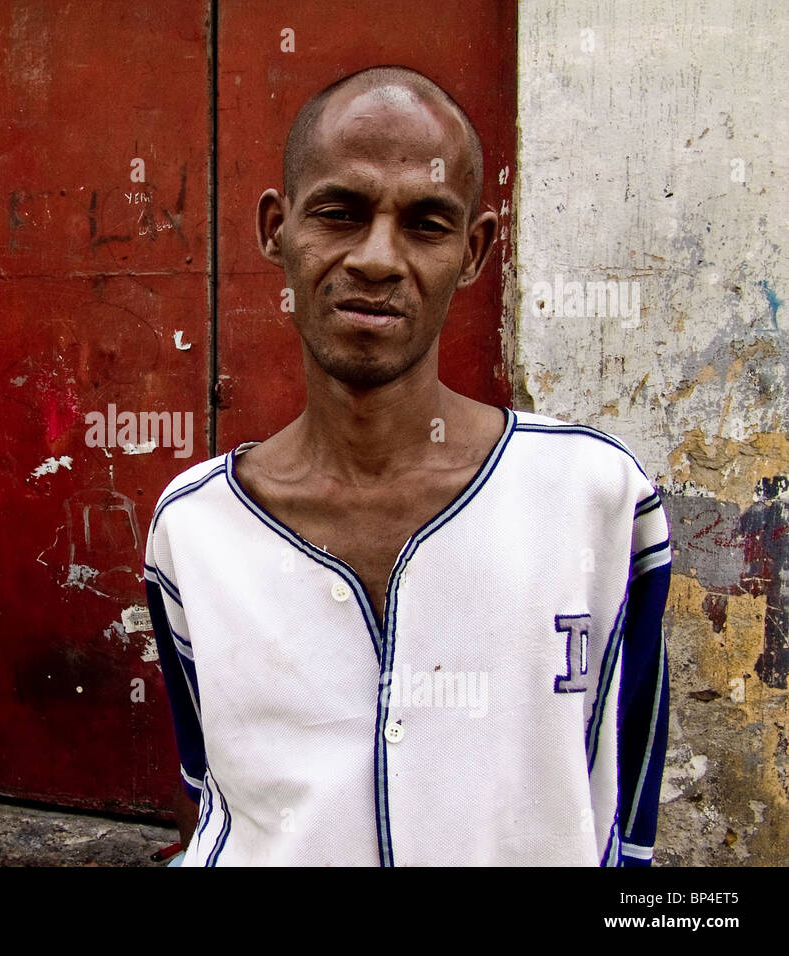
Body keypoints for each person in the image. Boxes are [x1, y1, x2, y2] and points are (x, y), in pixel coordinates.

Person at [144, 66, 670, 866]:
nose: (377, 259)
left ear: (475, 249)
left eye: (425, 223)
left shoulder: (596, 499)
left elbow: (628, 812)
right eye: (339, 213)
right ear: (275, 228)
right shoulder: (194, 525)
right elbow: (209, 790)